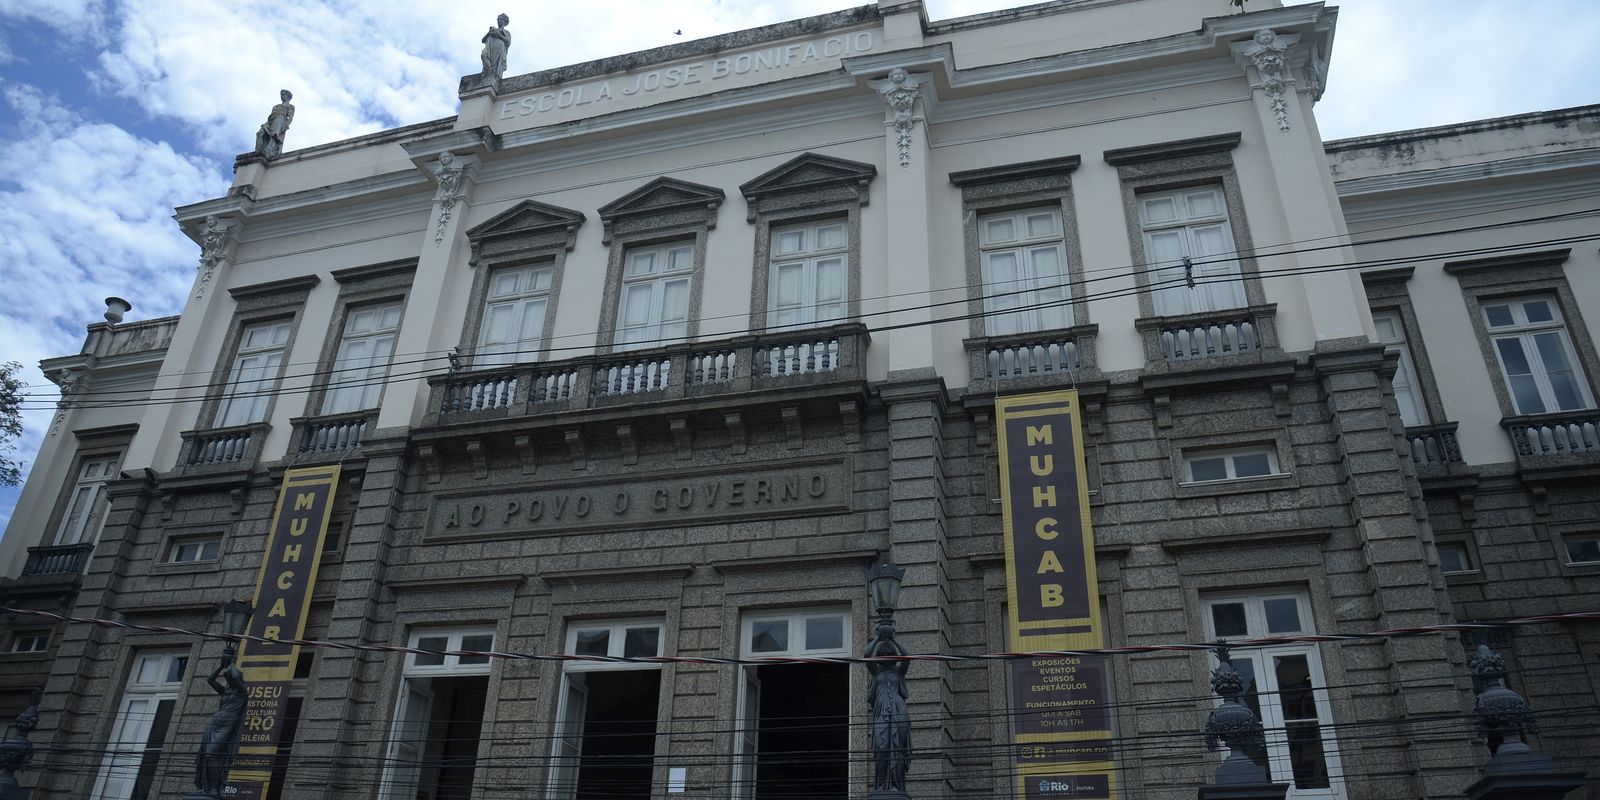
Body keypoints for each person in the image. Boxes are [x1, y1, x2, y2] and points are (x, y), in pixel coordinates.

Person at [864, 621, 911, 793]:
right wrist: (877, 638)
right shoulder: (876, 672)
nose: (885, 656)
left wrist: (893, 639)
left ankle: (896, 786)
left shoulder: (899, 672)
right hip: (880, 713)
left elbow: (907, 656)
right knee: (882, 748)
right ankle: (882, 786)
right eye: (882, 654)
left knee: (897, 750)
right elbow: (866, 655)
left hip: (899, 712)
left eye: (888, 654)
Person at [195, 645, 248, 795]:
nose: (229, 679)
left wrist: (232, 662)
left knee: (212, 755)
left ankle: (213, 788)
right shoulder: (225, 691)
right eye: (227, 678)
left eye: (229, 677)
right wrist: (221, 666)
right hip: (214, 723)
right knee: (205, 755)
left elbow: (236, 676)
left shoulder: (242, 693)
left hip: (226, 726)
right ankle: (205, 788)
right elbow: (210, 680)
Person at [254, 90, 295, 158]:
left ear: (288, 96)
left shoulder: (290, 106)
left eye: (283, 94)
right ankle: (259, 151)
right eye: (281, 94)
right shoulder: (276, 106)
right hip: (270, 121)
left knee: (274, 136)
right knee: (259, 133)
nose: (281, 96)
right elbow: (271, 115)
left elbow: (290, 117)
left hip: (280, 120)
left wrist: (286, 125)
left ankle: (269, 152)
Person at [481, 14, 512, 80]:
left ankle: (493, 76)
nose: (498, 20)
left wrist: (498, 34)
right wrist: (489, 33)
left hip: (499, 49)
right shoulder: (493, 30)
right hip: (490, 47)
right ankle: (489, 71)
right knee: (484, 54)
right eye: (498, 19)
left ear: (504, 21)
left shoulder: (506, 32)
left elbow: (508, 42)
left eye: (501, 19)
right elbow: (483, 40)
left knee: (497, 66)